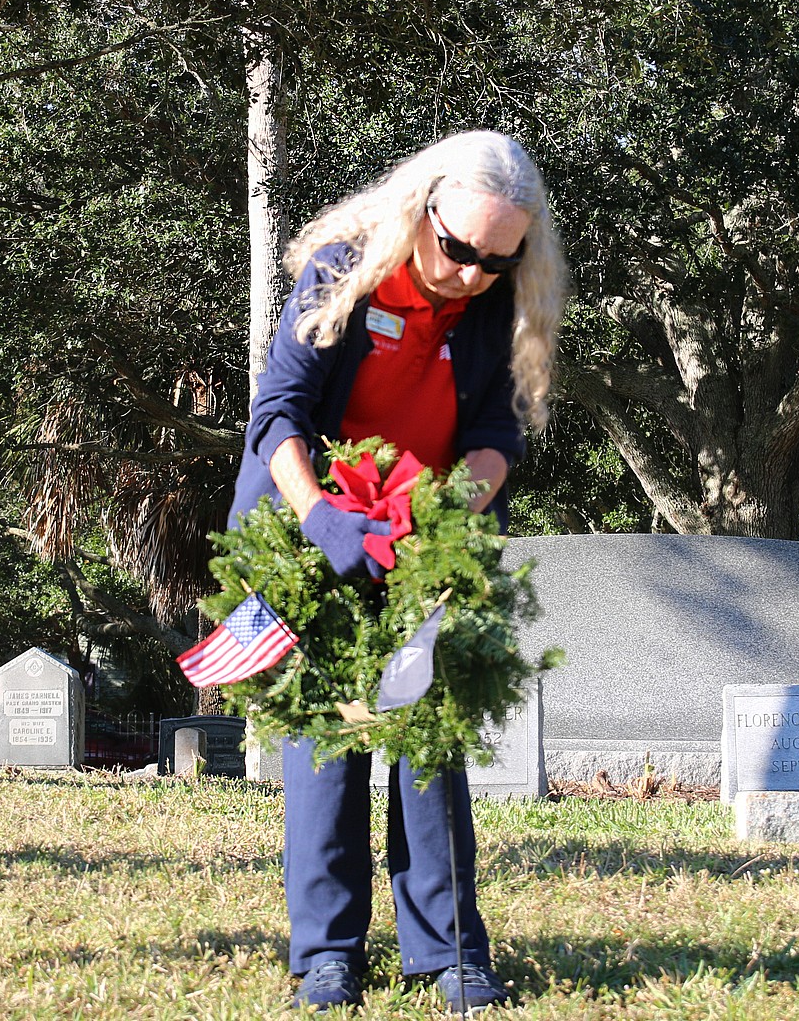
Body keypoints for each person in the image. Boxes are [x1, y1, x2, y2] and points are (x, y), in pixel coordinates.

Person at [229, 130, 567, 1014]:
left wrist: (456, 509)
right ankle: (327, 951)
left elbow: (497, 436)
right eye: (457, 248)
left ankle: (449, 951)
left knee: (428, 737)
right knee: (330, 743)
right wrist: (322, 518)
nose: (471, 272)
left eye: (500, 259)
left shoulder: (492, 302)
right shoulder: (345, 269)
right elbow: (279, 414)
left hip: (422, 533)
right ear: (424, 211)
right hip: (318, 522)